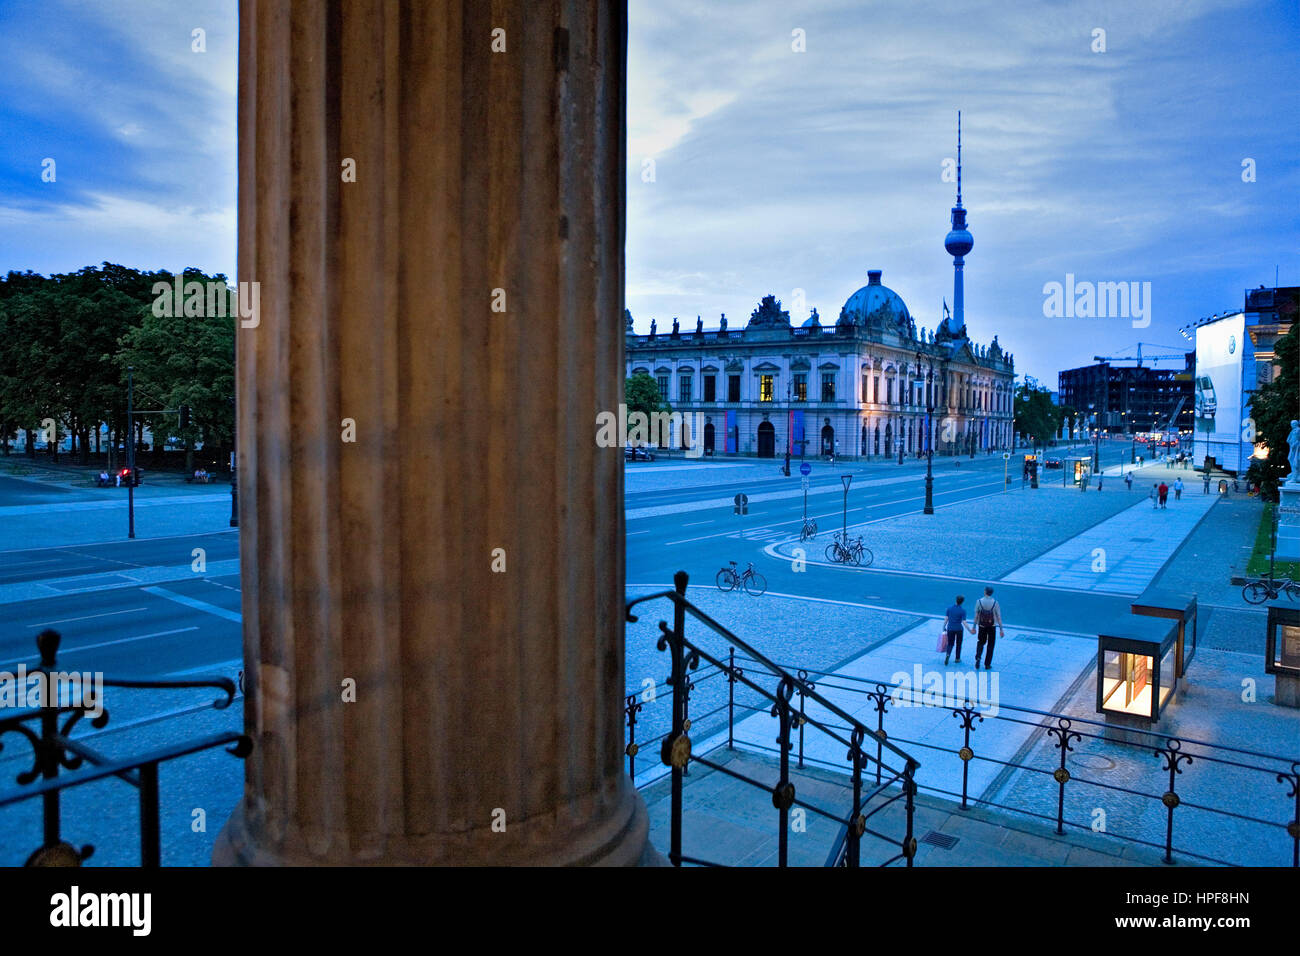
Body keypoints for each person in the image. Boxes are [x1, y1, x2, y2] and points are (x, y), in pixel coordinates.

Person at [973, 587, 1003, 670]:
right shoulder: (995, 603)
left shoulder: (979, 601)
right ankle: (987, 664)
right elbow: (999, 617)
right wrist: (1001, 629)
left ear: (985, 592)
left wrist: (974, 627)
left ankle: (978, 656)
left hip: (982, 625)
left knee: (980, 642)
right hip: (992, 626)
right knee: (991, 644)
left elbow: (976, 616)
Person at [942, 595, 972, 666]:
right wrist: (970, 630)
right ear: (962, 602)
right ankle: (957, 658)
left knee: (950, 643)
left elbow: (946, 618)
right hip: (959, 629)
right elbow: (964, 622)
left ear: (956, 600)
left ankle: (948, 655)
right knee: (959, 644)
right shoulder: (963, 611)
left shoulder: (949, 608)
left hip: (950, 628)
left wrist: (943, 626)